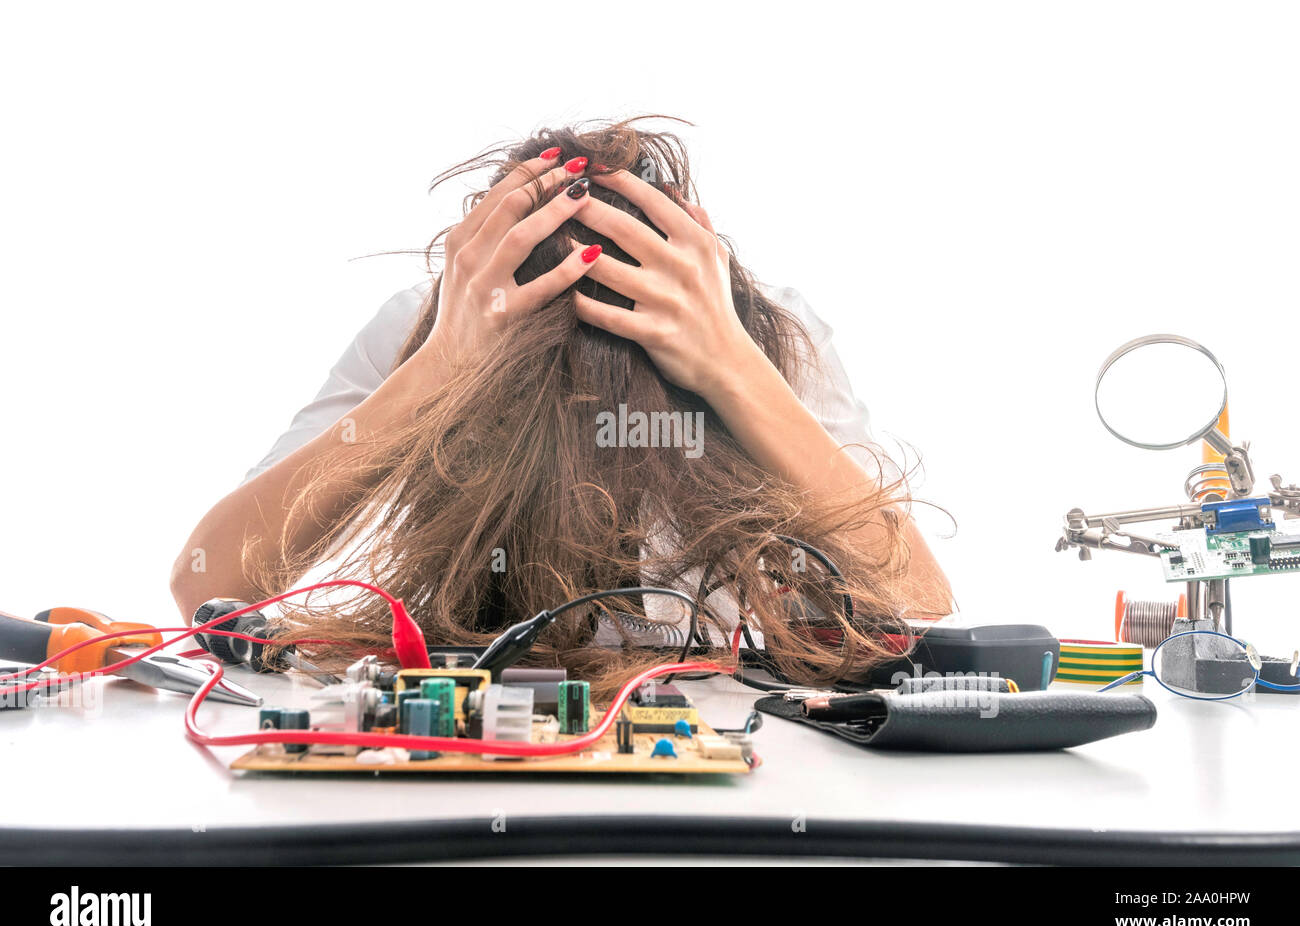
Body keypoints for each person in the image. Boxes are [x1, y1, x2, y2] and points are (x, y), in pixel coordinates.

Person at [171, 118, 951, 695]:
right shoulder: (435, 324)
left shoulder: (761, 333)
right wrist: (441, 367)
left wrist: (735, 371)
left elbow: (921, 606)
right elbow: (209, 582)